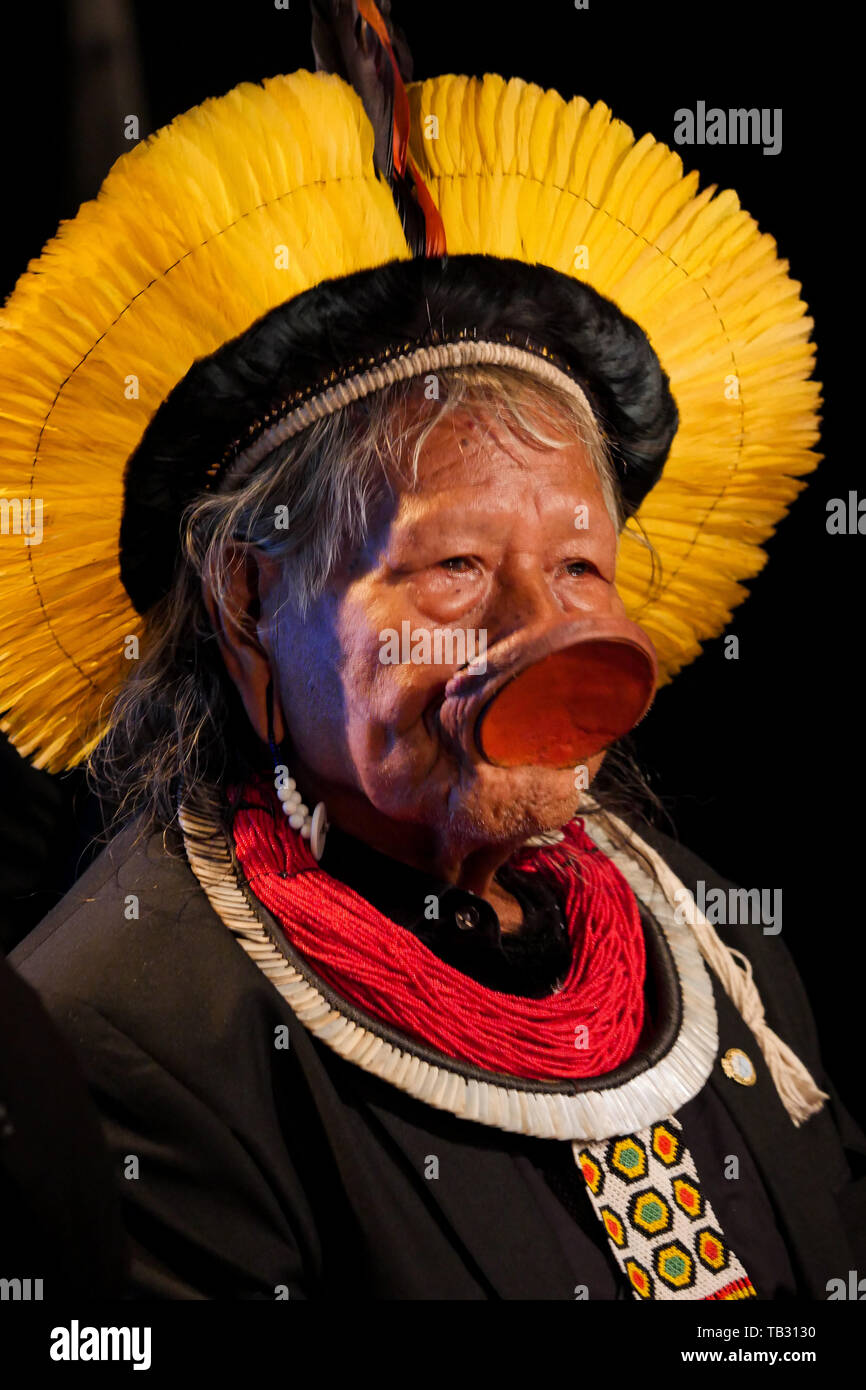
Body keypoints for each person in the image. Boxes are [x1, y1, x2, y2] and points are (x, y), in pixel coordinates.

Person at [2, 1, 864, 1299]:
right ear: (248, 601)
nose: (550, 634)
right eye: (455, 566)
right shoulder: (124, 1035)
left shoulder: (699, 933)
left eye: (579, 566)